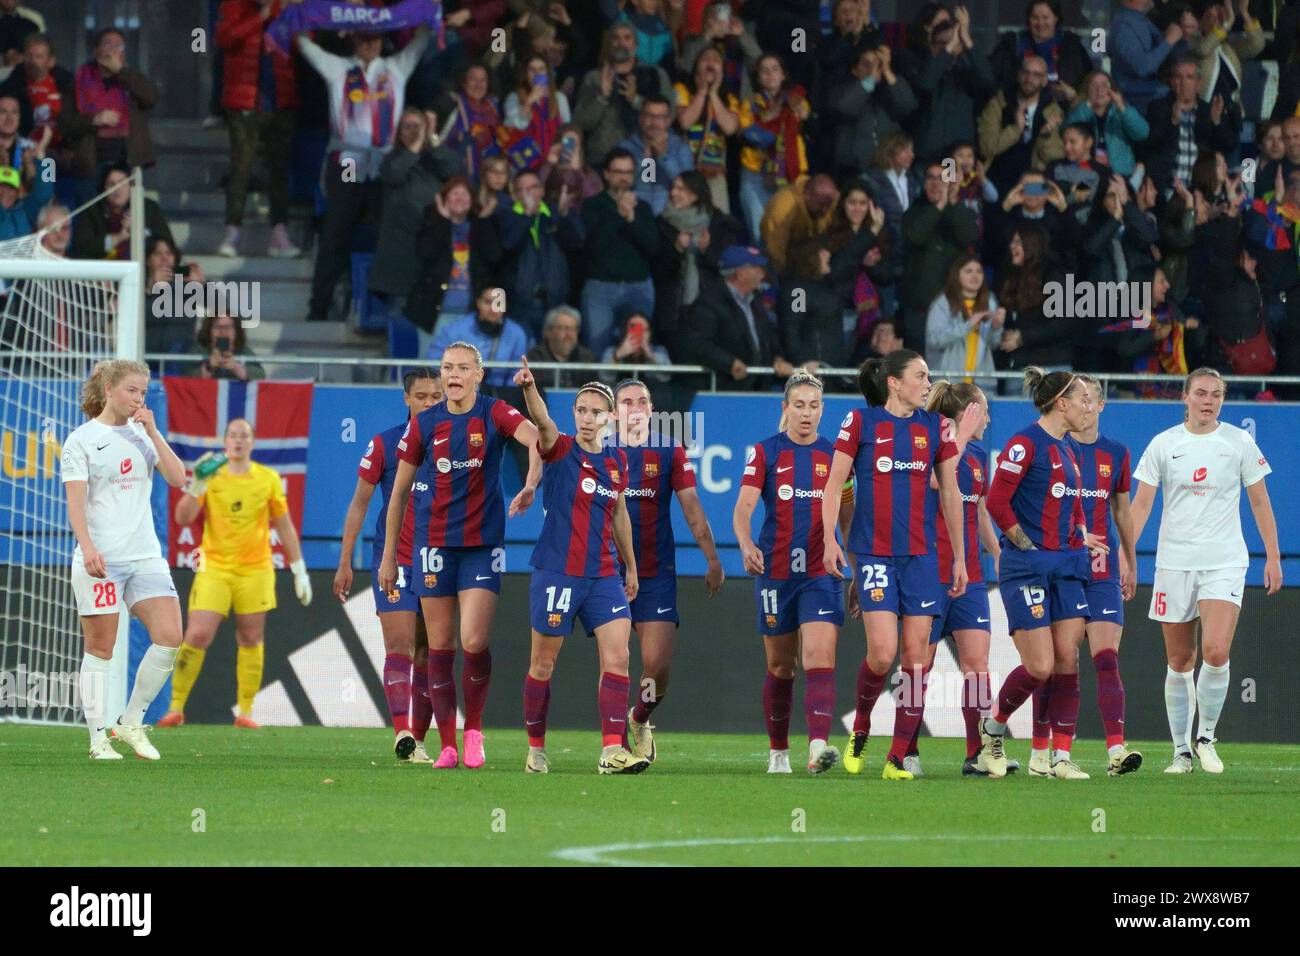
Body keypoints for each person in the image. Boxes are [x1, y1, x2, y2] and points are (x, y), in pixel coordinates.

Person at [379, 343, 541, 769]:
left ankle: (475, 730)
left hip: (481, 545)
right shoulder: (424, 424)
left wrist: (531, 482)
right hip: (431, 546)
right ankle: (448, 744)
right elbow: (398, 495)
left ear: (478, 375)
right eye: (448, 367)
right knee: (440, 645)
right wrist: (389, 558)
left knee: (474, 640)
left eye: (462, 368)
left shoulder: (494, 412)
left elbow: (536, 438)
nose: (453, 374)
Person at [821, 349, 973, 780]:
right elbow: (833, 487)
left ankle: (896, 757)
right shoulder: (861, 422)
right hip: (874, 555)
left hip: (922, 557)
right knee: (882, 653)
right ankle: (862, 727)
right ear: (893, 382)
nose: (928, 384)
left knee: (915, 660)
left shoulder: (936, 428)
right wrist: (832, 540)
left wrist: (960, 557)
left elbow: (950, 494)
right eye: (921, 376)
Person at [1128, 366, 1282, 774]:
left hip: (1224, 561)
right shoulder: (1164, 444)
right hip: (1174, 563)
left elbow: (1261, 502)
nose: (1208, 400)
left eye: (1216, 394)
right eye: (1201, 393)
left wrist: (1273, 555)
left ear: (1223, 400)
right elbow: (1141, 505)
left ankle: (1206, 738)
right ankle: (1180, 751)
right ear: (1185, 397)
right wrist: (1126, 553)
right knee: (1180, 660)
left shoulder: (1238, 442)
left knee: (1215, 651)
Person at [972, 368, 1109, 778]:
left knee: (1069, 660)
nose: (1090, 407)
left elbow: (1074, 503)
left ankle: (1060, 758)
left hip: (1067, 568)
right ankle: (993, 727)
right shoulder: (1024, 443)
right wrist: (1022, 539)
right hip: (1027, 570)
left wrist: (1079, 533)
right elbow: (996, 500)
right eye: (1083, 399)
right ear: (1061, 403)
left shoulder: (1069, 450)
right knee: (1040, 666)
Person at [511, 366, 648, 775]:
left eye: (596, 412)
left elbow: (620, 514)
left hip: (604, 574)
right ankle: (536, 748)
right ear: (574, 414)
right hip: (557, 571)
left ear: (610, 418)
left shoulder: (617, 460)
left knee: (619, 655)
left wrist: (632, 568)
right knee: (543, 663)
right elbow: (542, 421)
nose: (588, 419)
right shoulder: (560, 447)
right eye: (582, 411)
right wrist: (531, 388)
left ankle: (611, 751)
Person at [61, 360, 187, 759]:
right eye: (132, 391)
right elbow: (76, 504)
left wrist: (153, 431)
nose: (138, 399)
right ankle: (98, 739)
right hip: (102, 559)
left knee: (169, 637)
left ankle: (130, 721)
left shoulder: (142, 435)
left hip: (145, 555)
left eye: (143, 393)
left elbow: (179, 478)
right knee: (101, 648)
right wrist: (88, 547)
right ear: (110, 388)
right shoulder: (81, 440)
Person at [159, 418, 312, 729]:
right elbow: (182, 517)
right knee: (197, 634)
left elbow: (284, 525)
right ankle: (175, 708)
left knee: (251, 637)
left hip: (255, 570)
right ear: (225, 441)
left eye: (244, 436)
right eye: (233, 435)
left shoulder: (267, 479)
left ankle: (246, 712)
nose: (238, 441)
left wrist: (299, 570)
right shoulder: (211, 475)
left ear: (251, 443)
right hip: (214, 568)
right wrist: (197, 484)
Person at [734, 371, 852, 774]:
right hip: (776, 571)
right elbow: (744, 507)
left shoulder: (838, 456)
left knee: (820, 656)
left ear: (823, 410)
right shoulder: (766, 452)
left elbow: (849, 515)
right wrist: (747, 545)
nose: (806, 413)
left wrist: (852, 562)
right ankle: (778, 752)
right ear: (784, 409)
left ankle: (817, 747)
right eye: (798, 405)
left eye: (814, 405)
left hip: (822, 571)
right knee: (781, 666)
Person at [613, 378, 724, 762]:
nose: (635, 408)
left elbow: (691, 505)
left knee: (657, 668)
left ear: (652, 409)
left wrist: (711, 557)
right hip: (605, 572)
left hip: (654, 573)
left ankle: (639, 717)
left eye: (642, 401)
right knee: (613, 663)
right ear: (614, 413)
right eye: (626, 402)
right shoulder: (599, 450)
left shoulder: (668, 449)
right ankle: (613, 747)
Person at [333, 370, 442, 763]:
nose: (429, 403)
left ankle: (421, 739)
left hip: (440, 561)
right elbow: (359, 503)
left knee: (431, 653)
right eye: (422, 396)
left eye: (436, 396)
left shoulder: (457, 444)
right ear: (407, 399)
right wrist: (345, 560)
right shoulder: (384, 443)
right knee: (399, 646)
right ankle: (402, 733)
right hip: (394, 559)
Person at [1037, 375, 1141, 778]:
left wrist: (1130, 559)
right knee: (1062, 661)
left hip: (1101, 570)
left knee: (1106, 657)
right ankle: (1047, 751)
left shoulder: (1115, 453)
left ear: (1100, 404)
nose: (1083, 404)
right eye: (1077, 398)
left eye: (1089, 397)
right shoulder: (1053, 449)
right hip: (1062, 568)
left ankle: (1116, 751)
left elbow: (1122, 510)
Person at [295, 21, 432, 322]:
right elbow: (304, 44)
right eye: (364, 39)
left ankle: (389, 307)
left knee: (391, 233)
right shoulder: (338, 69)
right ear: (353, 40)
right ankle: (319, 306)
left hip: (384, 160)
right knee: (336, 231)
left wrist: (427, 10)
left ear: (383, 42)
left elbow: (423, 37)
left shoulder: (396, 68)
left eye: (375, 39)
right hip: (349, 159)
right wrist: (301, 12)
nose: (370, 45)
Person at [915, 380, 1008, 776]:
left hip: (969, 576)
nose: (987, 418)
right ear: (965, 413)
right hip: (931, 574)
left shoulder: (975, 457)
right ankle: (907, 751)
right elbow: (939, 483)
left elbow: (980, 511)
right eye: (981, 410)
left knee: (977, 666)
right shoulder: (936, 447)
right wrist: (962, 435)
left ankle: (976, 754)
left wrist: (999, 555)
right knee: (920, 666)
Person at [215, 0, 300, 258]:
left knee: (280, 170)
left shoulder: (287, 10)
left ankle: (279, 234)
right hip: (244, 101)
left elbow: (303, 45)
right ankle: (232, 233)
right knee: (241, 168)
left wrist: (291, 19)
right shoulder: (234, 6)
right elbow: (224, 39)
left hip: (280, 100)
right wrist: (259, 17)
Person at [370, 108, 465, 315]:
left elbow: (454, 168)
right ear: (399, 132)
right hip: (399, 264)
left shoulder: (435, 160)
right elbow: (394, 173)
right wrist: (415, 145)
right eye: (408, 126)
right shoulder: (390, 159)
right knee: (401, 332)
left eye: (418, 126)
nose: (414, 131)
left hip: (429, 263)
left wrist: (431, 137)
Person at [58, 28, 159, 203]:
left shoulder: (132, 79)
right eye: (108, 44)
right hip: (90, 163)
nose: (113, 49)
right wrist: (93, 119)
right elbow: (65, 126)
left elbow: (151, 98)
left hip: (127, 160)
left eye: (119, 46)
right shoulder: (78, 82)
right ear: (96, 51)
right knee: (88, 217)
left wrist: (121, 71)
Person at [676, 244, 795, 391]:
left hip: (757, 388)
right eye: (757, 269)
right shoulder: (710, 302)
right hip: (724, 389)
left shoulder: (755, 300)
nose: (762, 275)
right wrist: (729, 363)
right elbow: (697, 343)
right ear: (741, 274)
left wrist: (778, 358)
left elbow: (768, 335)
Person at [404, 176, 504, 348]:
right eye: (454, 194)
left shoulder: (481, 225)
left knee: (468, 369)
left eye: (464, 195)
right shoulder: (431, 222)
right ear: (443, 199)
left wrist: (484, 221)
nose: (459, 198)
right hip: (436, 313)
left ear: (472, 201)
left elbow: (493, 257)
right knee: (433, 370)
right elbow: (426, 254)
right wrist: (442, 220)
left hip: (471, 313)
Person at [579, 147, 660, 356]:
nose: (624, 178)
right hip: (600, 288)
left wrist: (632, 219)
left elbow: (653, 248)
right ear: (606, 174)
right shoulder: (592, 205)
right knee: (596, 347)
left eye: (628, 172)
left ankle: (638, 389)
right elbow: (592, 247)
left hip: (639, 286)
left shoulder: (643, 208)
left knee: (639, 348)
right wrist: (618, 215)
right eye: (618, 172)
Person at [571, 21, 672, 167]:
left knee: (649, 188)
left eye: (627, 38)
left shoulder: (656, 74)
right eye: (616, 38)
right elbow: (581, 123)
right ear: (609, 44)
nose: (621, 43)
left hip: (646, 159)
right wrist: (601, 96)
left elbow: (670, 115)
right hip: (602, 162)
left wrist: (636, 100)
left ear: (636, 45)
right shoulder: (593, 78)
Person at [498, 168, 583, 337]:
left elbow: (576, 243)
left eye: (534, 187)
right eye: (524, 189)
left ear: (543, 190)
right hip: (521, 304)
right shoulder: (505, 215)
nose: (531, 193)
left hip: (555, 302)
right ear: (515, 194)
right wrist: (527, 215)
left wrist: (563, 215)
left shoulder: (556, 213)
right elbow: (509, 245)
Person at [736, 53, 810, 243]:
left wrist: (794, 109)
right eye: (764, 70)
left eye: (775, 69)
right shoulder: (749, 104)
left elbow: (805, 115)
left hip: (790, 172)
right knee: (759, 231)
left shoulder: (795, 99)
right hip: (755, 172)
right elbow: (748, 135)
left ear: (783, 75)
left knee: (791, 230)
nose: (770, 74)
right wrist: (773, 115)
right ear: (758, 78)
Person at [978, 54, 1066, 199]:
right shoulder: (999, 103)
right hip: (998, 178)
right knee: (998, 215)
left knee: (1033, 216)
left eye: (1036, 75)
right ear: (1019, 75)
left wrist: (1045, 135)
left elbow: (1055, 158)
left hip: (1035, 180)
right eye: (1026, 72)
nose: (1029, 79)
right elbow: (986, 147)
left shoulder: (1053, 109)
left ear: (1044, 81)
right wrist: (1016, 130)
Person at [673, 45, 740, 212]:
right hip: (687, 170)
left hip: (715, 173)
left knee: (719, 220)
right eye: (705, 59)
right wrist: (702, 92)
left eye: (716, 60)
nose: (711, 62)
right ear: (696, 67)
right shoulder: (682, 90)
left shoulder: (729, 98)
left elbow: (730, 128)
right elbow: (685, 122)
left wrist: (714, 94)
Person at [989, 0, 1096, 103]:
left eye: (1045, 17)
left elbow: (1090, 82)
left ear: (1055, 18)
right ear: (1028, 20)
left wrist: (1074, 96)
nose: (1040, 23)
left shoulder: (1072, 47)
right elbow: (989, 80)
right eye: (1035, 18)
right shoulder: (1012, 45)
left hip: (1065, 112)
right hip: (1019, 111)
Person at [426, 286, 532, 388]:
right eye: (488, 302)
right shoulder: (453, 331)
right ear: (478, 303)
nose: (494, 309)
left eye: (499, 303)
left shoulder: (517, 334)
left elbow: (517, 375)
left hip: (499, 398)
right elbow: (434, 366)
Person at [924, 255, 1004, 389]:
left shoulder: (989, 301)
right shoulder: (942, 303)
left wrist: (996, 328)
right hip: (949, 384)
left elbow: (995, 344)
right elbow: (935, 340)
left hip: (982, 386)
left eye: (979, 271)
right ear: (957, 275)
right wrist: (969, 325)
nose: (975, 275)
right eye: (968, 271)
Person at [69, 161, 174, 261]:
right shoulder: (91, 211)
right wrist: (118, 238)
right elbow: (80, 250)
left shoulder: (149, 208)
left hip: (144, 272)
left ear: (130, 187)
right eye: (111, 184)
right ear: (104, 189)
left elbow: (169, 247)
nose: (117, 189)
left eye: (122, 183)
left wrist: (138, 232)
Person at [619, 93, 693, 215]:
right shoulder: (626, 148)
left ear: (668, 121)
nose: (653, 122)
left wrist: (664, 158)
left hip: (673, 219)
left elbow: (689, 187)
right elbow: (621, 185)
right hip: (636, 217)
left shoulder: (680, 149)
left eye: (659, 117)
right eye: (649, 116)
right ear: (641, 118)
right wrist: (647, 163)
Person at [1066, 71, 1150, 179]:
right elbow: (1066, 130)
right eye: (1094, 86)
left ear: (1112, 90)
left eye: (1104, 85)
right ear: (1087, 90)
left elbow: (1142, 133)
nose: (1099, 90)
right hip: (1086, 174)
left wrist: (1122, 108)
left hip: (1120, 175)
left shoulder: (1121, 113)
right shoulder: (1081, 111)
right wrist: (1088, 105)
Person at [1111, 0, 1184, 111]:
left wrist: (1184, 36)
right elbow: (1142, 67)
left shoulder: (1141, 19)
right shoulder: (1123, 26)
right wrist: (1168, 41)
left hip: (1157, 98)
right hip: (1138, 104)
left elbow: (1165, 52)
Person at [502, 54, 571, 170]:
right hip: (524, 164)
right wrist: (528, 102)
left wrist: (566, 162)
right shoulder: (514, 97)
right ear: (525, 74)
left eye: (541, 69)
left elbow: (568, 132)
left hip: (553, 164)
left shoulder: (559, 98)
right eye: (531, 69)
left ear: (547, 73)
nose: (537, 73)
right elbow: (510, 129)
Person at [435, 62, 502, 181]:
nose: (478, 85)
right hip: (454, 178)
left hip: (489, 179)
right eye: (473, 79)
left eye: (483, 80)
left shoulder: (494, 105)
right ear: (463, 82)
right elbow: (435, 139)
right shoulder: (450, 102)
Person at [526, 304, 596, 387]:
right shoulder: (535, 358)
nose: (569, 335)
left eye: (573, 329)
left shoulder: (587, 359)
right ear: (547, 331)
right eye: (562, 328)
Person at [190, 312, 266, 381]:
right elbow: (186, 377)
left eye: (228, 327)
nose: (222, 331)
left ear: (237, 332)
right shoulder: (199, 351)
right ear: (209, 331)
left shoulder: (244, 351)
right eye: (217, 327)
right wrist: (209, 367)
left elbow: (261, 376)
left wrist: (237, 368)